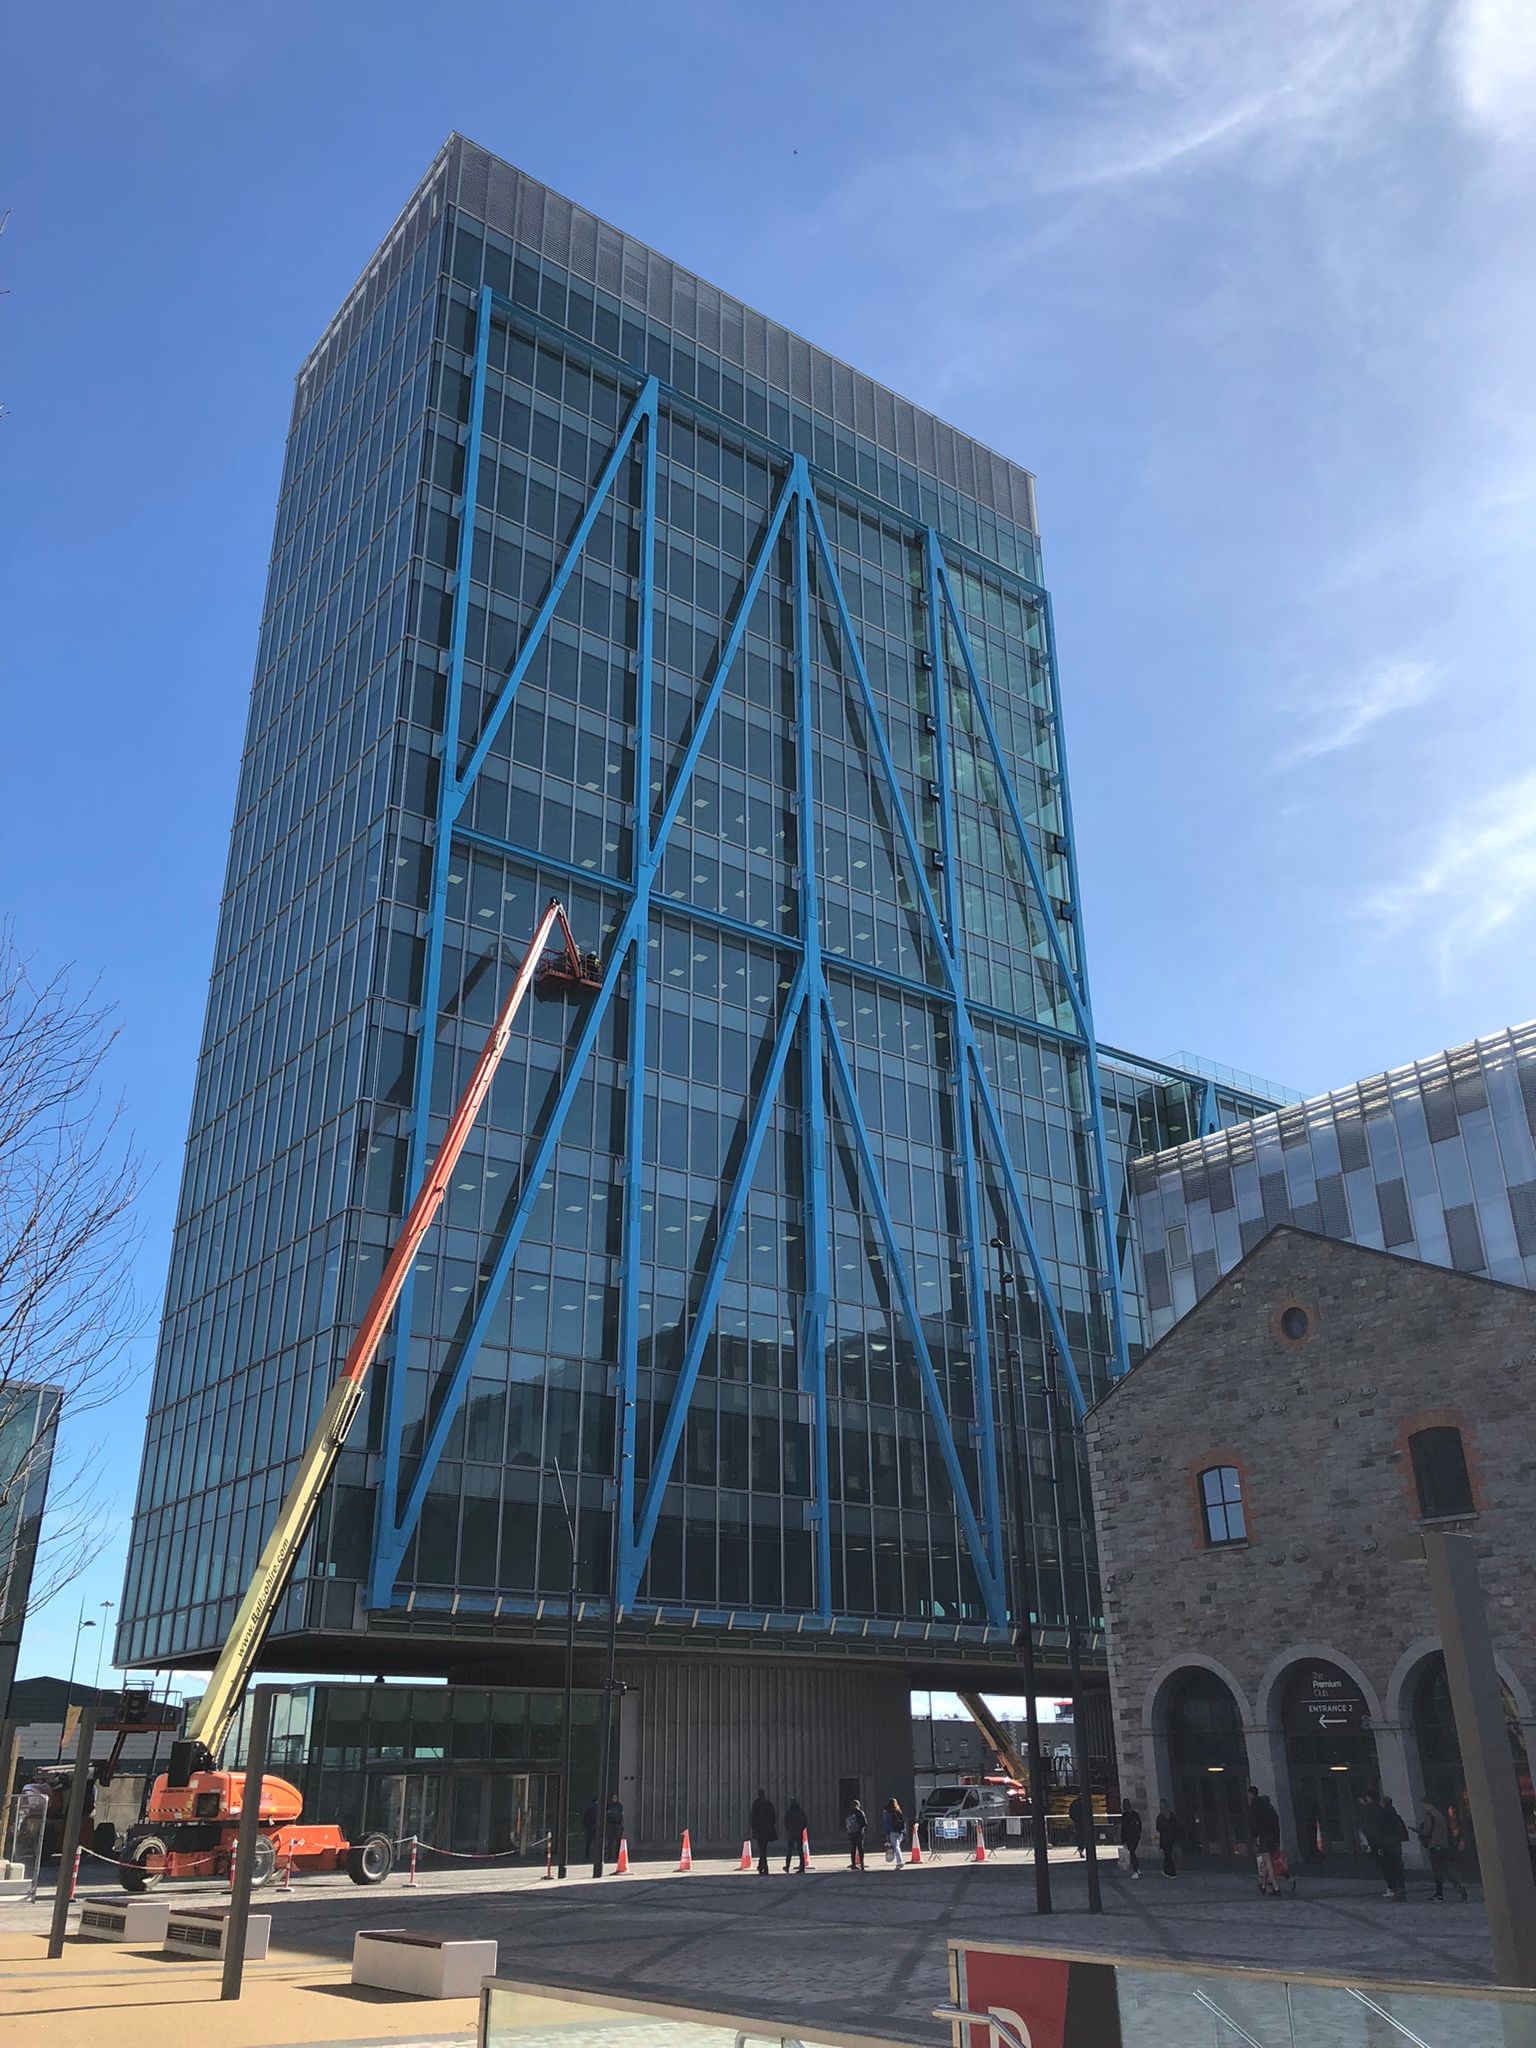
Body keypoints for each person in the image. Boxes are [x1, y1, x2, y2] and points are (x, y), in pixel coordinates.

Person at [1358, 1791, 1408, 1902]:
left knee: (1390, 1867)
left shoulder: (1381, 1815)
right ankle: (1400, 1890)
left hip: (1386, 1844)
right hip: (1394, 1843)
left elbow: (1374, 1829)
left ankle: (1396, 1890)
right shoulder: (1393, 1814)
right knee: (1397, 1867)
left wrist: (1373, 1845)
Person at [1419, 1799, 1468, 1902]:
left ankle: (1439, 1893)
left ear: (1427, 1804)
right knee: (1445, 1868)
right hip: (1443, 1845)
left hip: (1434, 1845)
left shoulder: (1430, 1816)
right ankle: (1457, 1885)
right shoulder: (1439, 1815)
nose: (1423, 1808)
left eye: (1423, 1805)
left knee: (1437, 1871)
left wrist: (1420, 1832)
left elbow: (1427, 1831)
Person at [1247, 1787, 1283, 1895]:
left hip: (1263, 1837)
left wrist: (1254, 1837)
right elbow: (1276, 1823)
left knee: (1267, 1862)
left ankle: (1276, 1887)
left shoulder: (1255, 1807)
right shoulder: (1270, 1808)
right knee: (1265, 1861)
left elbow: (1254, 1825)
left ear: (1251, 1794)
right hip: (1273, 1837)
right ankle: (1263, 1885)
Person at [749, 1788, 777, 1876]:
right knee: (763, 1849)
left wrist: (754, 1828)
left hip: (759, 1831)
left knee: (762, 1850)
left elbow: (753, 1818)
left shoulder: (756, 1804)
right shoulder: (768, 1804)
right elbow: (773, 1818)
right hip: (767, 1831)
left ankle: (763, 1867)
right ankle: (762, 1866)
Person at [1155, 1800, 1184, 1877]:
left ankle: (1172, 1872)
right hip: (1170, 1838)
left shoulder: (1161, 1817)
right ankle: (1166, 1870)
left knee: (1168, 1855)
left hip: (1166, 1838)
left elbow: (1158, 1828)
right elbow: (1176, 1826)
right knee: (1168, 1854)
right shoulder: (1170, 1815)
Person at [782, 1794, 809, 1874]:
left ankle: (787, 1866)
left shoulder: (789, 1811)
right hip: (799, 1832)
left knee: (789, 1850)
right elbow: (805, 1821)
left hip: (791, 1832)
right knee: (800, 1850)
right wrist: (801, 1829)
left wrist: (788, 1829)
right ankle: (802, 1866)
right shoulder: (800, 1811)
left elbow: (786, 1822)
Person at [1120, 1798, 1143, 1879]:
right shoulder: (1135, 1814)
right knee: (1133, 1853)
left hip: (1130, 1837)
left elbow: (1124, 1828)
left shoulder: (1125, 1816)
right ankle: (1137, 1868)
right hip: (1136, 1836)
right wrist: (1139, 1834)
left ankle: (1135, 1870)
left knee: (1132, 1854)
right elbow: (1140, 1825)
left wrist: (1123, 1840)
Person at [882, 1797, 906, 1868]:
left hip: (892, 1831)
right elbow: (903, 1821)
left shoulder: (887, 1812)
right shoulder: (898, 1811)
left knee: (896, 1846)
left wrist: (887, 1833)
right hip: (899, 1831)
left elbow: (887, 1823)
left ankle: (899, 1862)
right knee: (897, 1846)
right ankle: (899, 1861)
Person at [845, 1798, 868, 1872]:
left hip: (851, 1833)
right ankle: (861, 1864)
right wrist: (861, 1829)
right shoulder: (860, 1812)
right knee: (860, 1848)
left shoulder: (849, 1813)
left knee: (853, 1848)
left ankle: (853, 1864)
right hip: (859, 1833)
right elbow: (865, 1823)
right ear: (858, 1805)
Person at [604, 1792, 624, 1861]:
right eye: (613, 1798)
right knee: (610, 1841)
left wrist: (621, 1825)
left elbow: (620, 1816)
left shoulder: (619, 1805)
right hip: (610, 1825)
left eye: (616, 1798)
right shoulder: (608, 1805)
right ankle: (609, 1855)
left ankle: (617, 1856)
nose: (614, 1799)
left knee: (618, 1841)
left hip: (617, 1825)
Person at [1068, 1791, 1088, 1857]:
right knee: (1085, 1836)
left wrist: (1073, 1820)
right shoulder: (1084, 1803)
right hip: (1083, 1822)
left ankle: (1080, 1848)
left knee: (1079, 1836)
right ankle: (1082, 1849)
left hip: (1077, 1822)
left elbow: (1070, 1813)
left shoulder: (1074, 1803)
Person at [581, 1796, 598, 1863]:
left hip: (589, 1827)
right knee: (595, 1841)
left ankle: (587, 1854)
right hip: (594, 1827)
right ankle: (595, 1854)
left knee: (589, 1841)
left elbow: (585, 1819)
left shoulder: (588, 1808)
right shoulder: (596, 1809)